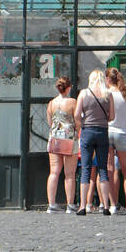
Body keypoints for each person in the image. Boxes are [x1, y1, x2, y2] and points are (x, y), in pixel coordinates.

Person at [74, 70, 115, 215]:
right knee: (103, 169)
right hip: (102, 132)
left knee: (86, 169)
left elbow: (77, 114)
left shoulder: (84, 93)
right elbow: (112, 116)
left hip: (87, 132)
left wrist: (82, 123)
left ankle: (83, 206)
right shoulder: (108, 94)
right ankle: (105, 206)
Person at [45, 76, 78, 213]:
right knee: (69, 174)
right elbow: (77, 121)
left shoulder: (51, 103)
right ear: (68, 88)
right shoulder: (72, 102)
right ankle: (70, 205)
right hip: (69, 138)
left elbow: (50, 123)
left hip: (54, 138)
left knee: (54, 172)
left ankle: (51, 204)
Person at [105, 67, 126, 214]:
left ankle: (113, 205)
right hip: (122, 133)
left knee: (110, 170)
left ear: (108, 79)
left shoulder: (107, 94)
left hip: (108, 131)